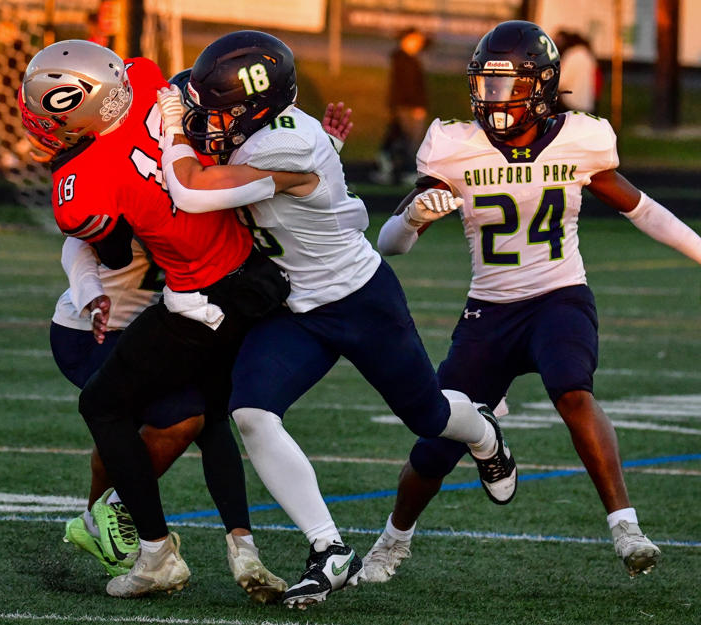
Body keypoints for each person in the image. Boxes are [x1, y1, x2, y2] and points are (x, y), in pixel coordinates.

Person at [157, 29, 517, 608]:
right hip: (293, 307)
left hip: (357, 298)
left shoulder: (284, 144)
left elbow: (194, 191)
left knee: (426, 414)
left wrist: (174, 126)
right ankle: (329, 549)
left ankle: (481, 430)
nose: (206, 123)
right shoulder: (279, 135)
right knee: (251, 412)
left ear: (255, 111)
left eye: (217, 113)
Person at [365, 19, 701, 583]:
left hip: (558, 297)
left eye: (508, 84)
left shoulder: (579, 138)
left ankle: (626, 526)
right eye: (486, 83)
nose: (493, 98)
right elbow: (389, 244)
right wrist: (412, 216)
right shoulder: (454, 146)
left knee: (572, 388)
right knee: (436, 441)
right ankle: (391, 542)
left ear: (542, 86)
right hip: (488, 311)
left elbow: (641, 207)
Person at [20, 39, 354, 600]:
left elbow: (115, 247)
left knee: (172, 414)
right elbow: (96, 245)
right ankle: (182, 539)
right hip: (221, 292)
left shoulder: (82, 183)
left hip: (199, 300)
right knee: (191, 414)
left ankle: (147, 541)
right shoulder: (151, 82)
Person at [48, 234, 285, 603]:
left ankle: (245, 551)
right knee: (184, 416)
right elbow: (78, 240)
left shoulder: (213, 189)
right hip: (98, 332)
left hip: (174, 325)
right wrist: (90, 294)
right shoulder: (155, 183)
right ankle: (106, 517)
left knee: (210, 413)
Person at [372, 27, 430, 185]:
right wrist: (416, 107)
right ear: (408, 39)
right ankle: (407, 172)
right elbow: (407, 87)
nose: (419, 44)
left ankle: (389, 170)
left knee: (399, 140)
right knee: (411, 142)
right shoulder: (403, 60)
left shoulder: (408, 59)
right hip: (408, 107)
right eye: (416, 40)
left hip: (405, 106)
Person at [555, 29, 600, 114]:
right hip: (587, 104)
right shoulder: (588, 55)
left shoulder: (571, 54)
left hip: (571, 104)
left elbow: (562, 81)